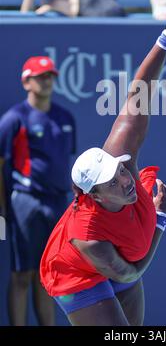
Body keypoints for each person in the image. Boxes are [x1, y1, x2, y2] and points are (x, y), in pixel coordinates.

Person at [40, 6, 166, 326]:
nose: (125, 180)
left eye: (121, 170)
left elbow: (138, 94)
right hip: (75, 275)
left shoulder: (122, 161)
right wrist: (161, 218)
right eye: (112, 182)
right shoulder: (89, 237)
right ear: (95, 196)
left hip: (122, 254)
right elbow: (134, 269)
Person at [0, 56, 76, 326]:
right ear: (26, 81)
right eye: (41, 76)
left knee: (48, 275)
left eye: (50, 76)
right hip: (24, 203)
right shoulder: (13, 119)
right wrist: (1, 212)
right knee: (22, 274)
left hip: (57, 204)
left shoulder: (65, 117)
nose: (47, 81)